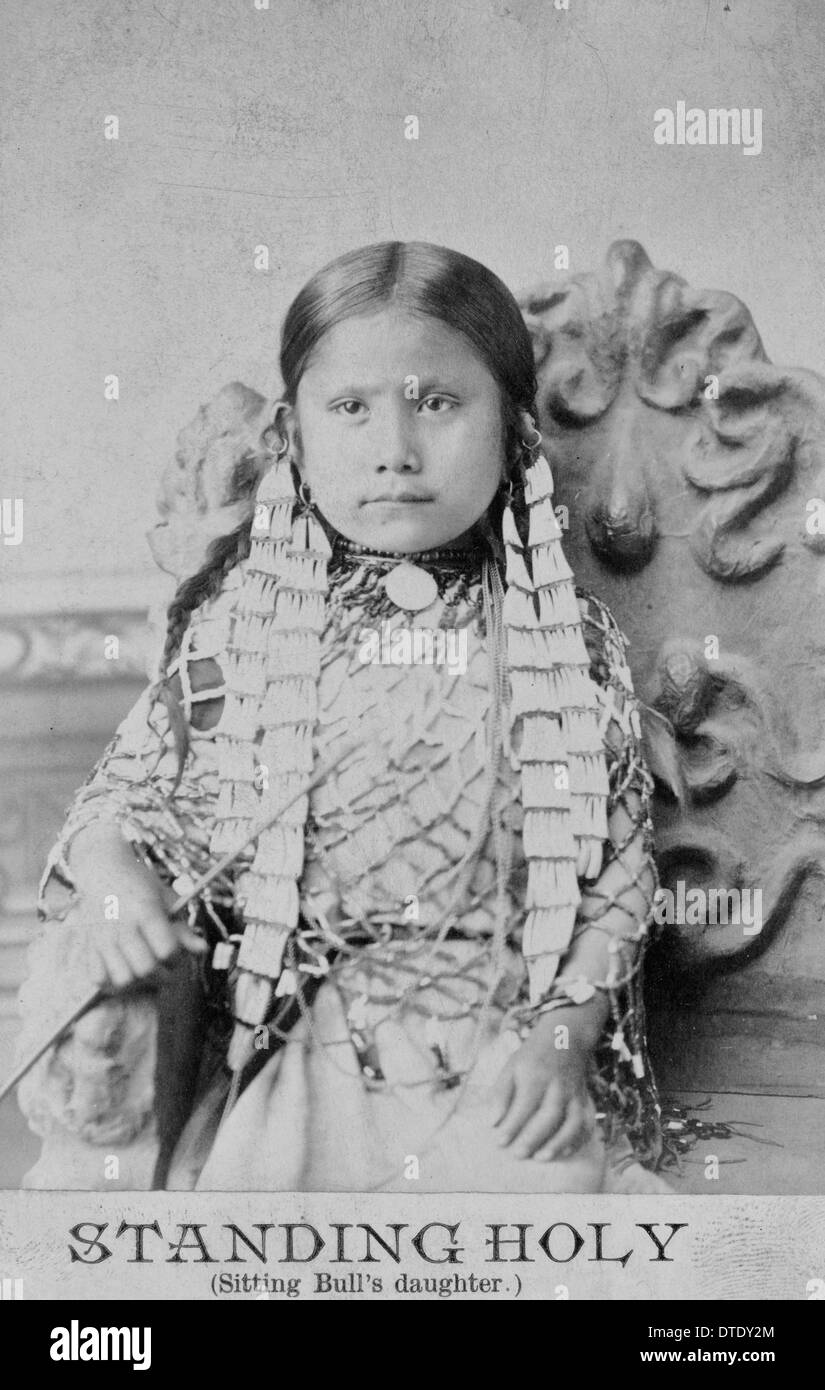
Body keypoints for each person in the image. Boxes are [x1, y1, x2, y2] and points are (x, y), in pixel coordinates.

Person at [18, 241, 666, 1193]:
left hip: (499, 1041)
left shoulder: (562, 645)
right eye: (352, 408)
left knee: (544, 1217)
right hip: (307, 1045)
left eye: (437, 403)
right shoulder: (247, 632)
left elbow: (619, 876)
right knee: (261, 1216)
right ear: (295, 432)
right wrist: (115, 880)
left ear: (514, 429)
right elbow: (129, 799)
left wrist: (562, 1042)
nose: (394, 450)